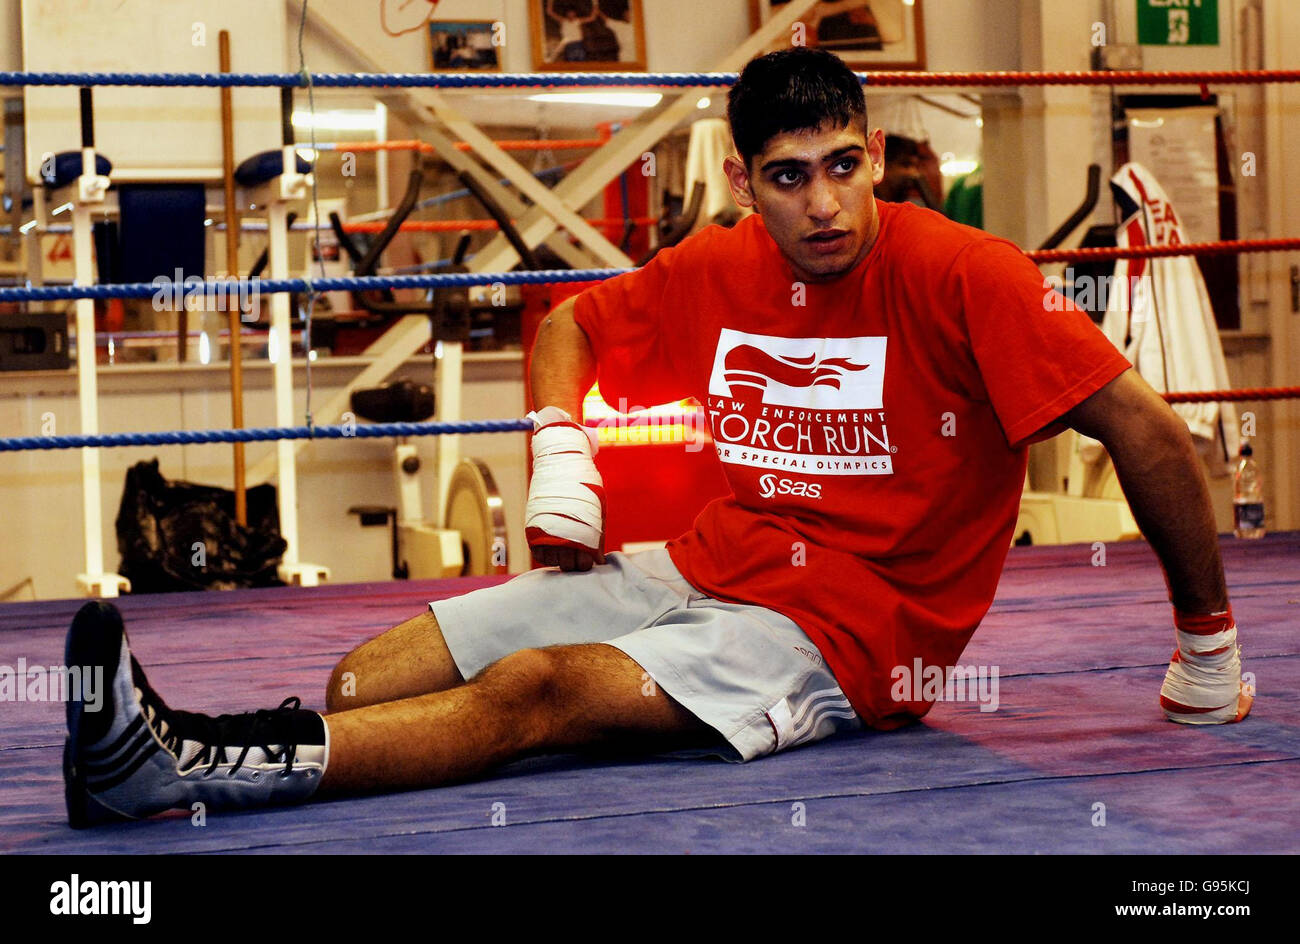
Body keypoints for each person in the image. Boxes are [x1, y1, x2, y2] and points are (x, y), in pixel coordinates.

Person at [62, 47, 1251, 828]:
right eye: (791, 179)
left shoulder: (964, 273)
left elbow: (1143, 427)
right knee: (368, 677)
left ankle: (182, 760)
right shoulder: (722, 261)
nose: (825, 205)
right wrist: (560, 442)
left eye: (845, 166)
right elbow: (575, 319)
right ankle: (185, 752)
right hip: (708, 560)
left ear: (876, 156)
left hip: (859, 632)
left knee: (534, 692)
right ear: (745, 181)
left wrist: (1208, 646)